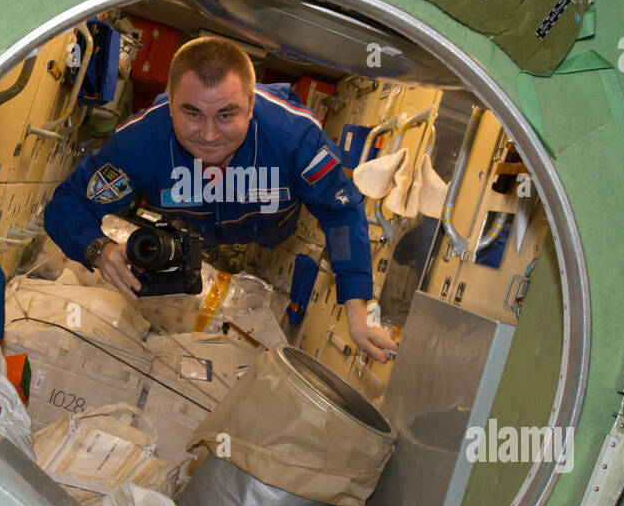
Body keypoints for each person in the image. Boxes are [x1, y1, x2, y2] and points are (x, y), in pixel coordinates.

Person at [42, 36, 399, 363]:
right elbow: (66, 204)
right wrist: (98, 250)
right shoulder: (139, 144)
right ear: (171, 108)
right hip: (200, 232)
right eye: (192, 113)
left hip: (272, 230)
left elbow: (340, 211)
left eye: (226, 114)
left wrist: (357, 309)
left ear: (250, 104)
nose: (209, 135)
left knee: (277, 235)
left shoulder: (296, 137)